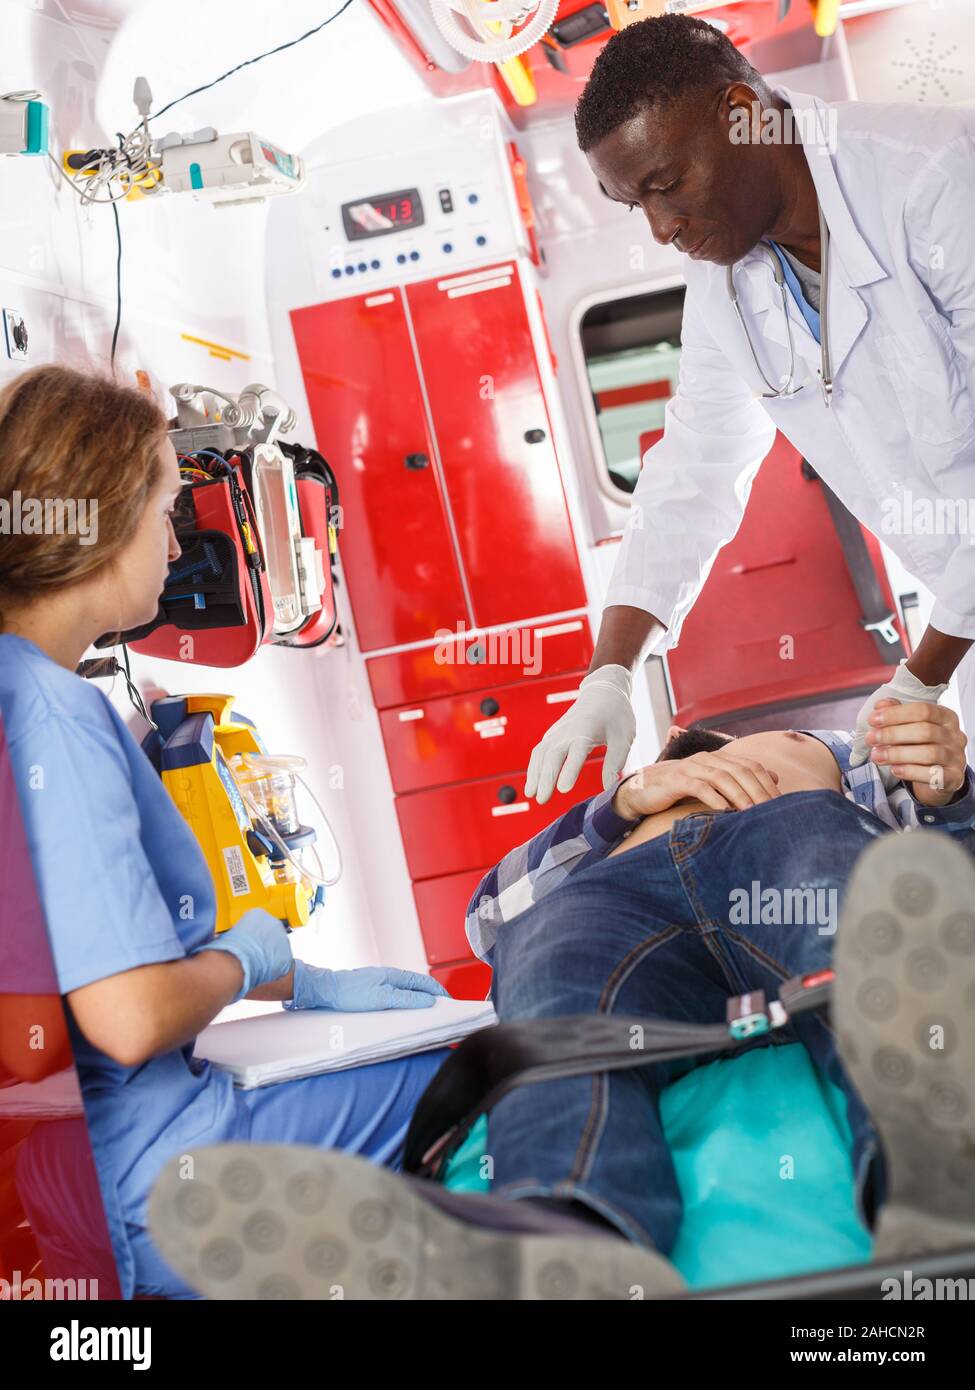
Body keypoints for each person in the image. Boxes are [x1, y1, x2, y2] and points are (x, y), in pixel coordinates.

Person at [146, 705, 975, 1299]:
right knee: (548, 975)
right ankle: (568, 1236)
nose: (715, 755)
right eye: (684, 755)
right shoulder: (616, 816)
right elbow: (487, 919)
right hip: (622, 895)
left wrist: (951, 792)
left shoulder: (861, 762)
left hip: (790, 841)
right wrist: (623, 805)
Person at [0, 363, 451, 1301]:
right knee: (481, 1075)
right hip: (166, 1174)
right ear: (99, 519)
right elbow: (124, 1020)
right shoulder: (56, 722)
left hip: (72, 1173)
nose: (174, 547)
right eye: (167, 511)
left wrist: (295, 977)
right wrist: (247, 959)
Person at [526, 15, 975, 806]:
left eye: (666, 185)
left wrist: (920, 673)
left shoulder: (935, 178)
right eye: (635, 205)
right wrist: (611, 672)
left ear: (744, 113)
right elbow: (692, 471)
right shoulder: (726, 286)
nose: (662, 228)